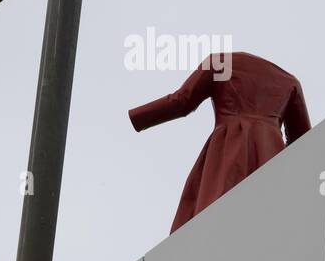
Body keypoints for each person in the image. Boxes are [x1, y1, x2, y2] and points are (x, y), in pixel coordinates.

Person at [129, 51, 311, 233]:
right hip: (270, 152)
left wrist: (137, 117)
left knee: (212, 213)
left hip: (227, 146)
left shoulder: (219, 63)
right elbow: (304, 143)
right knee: (267, 220)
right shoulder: (290, 83)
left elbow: (182, 101)